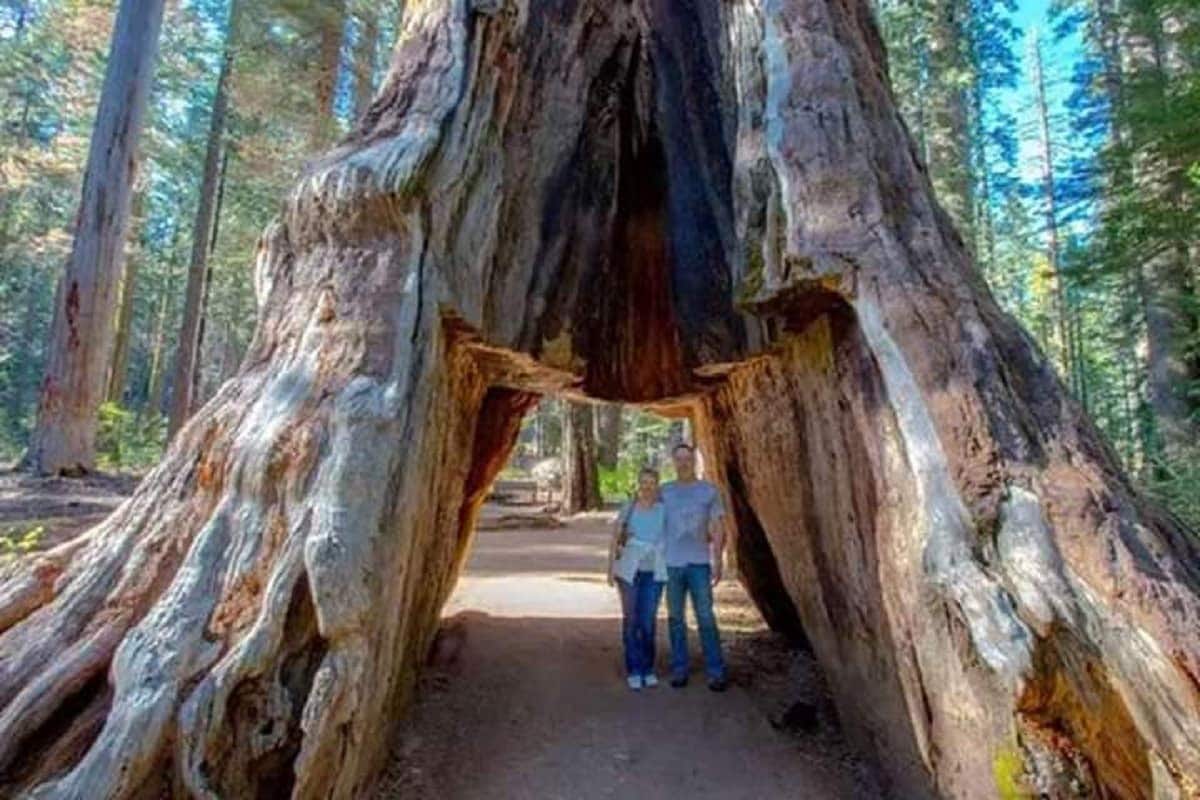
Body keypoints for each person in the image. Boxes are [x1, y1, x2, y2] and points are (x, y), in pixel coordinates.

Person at [661, 443, 728, 691]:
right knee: (676, 618)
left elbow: (718, 525)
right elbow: (651, 520)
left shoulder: (708, 491)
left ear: (694, 461)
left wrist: (718, 558)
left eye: (687, 459)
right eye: (678, 459)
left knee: (706, 617)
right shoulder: (664, 492)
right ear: (673, 462)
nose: (683, 463)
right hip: (671, 564)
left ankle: (716, 671)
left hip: (699, 562)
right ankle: (680, 669)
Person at [606, 467, 668, 691]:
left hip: (654, 571)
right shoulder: (629, 508)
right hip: (629, 571)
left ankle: (648, 667)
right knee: (631, 620)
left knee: (648, 621)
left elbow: (674, 534)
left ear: (657, 485)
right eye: (643, 482)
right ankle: (634, 668)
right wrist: (610, 567)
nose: (647, 487)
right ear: (638, 485)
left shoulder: (664, 510)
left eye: (651, 483)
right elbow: (616, 537)